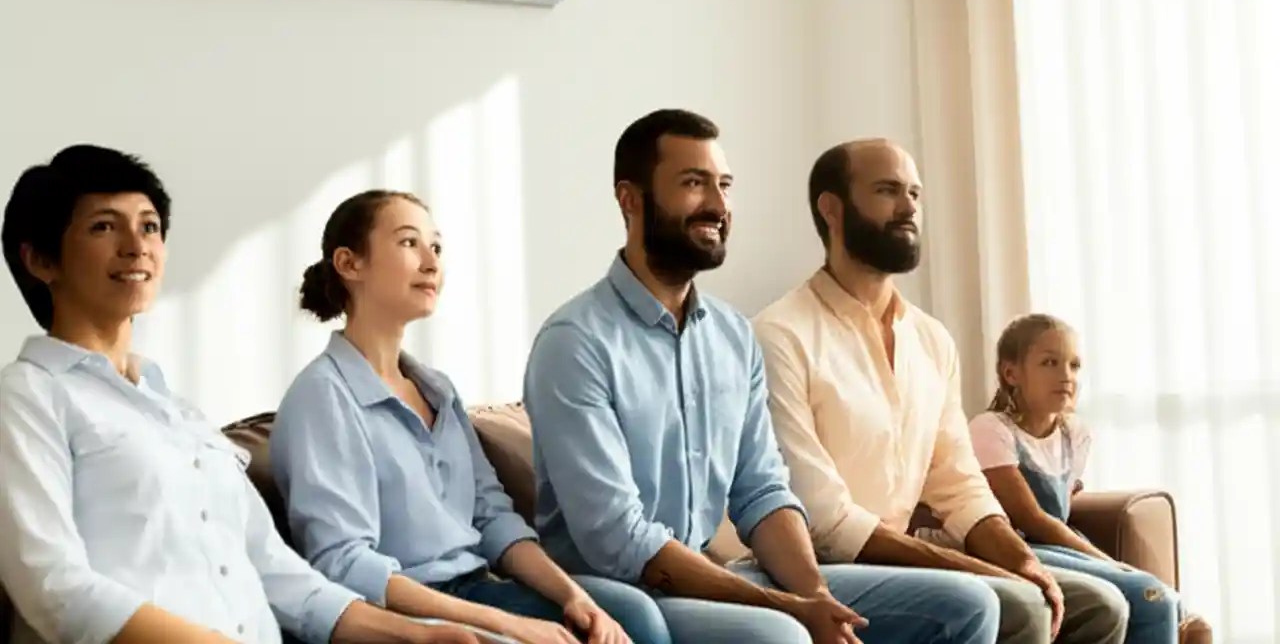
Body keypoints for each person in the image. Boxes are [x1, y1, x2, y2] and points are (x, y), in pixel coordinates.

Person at [522, 109, 1001, 644]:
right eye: (692, 183)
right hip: (622, 592)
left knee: (968, 603)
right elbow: (620, 539)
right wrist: (789, 607)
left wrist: (815, 596)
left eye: (724, 185)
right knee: (781, 636)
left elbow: (763, 493)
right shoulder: (575, 342)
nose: (718, 205)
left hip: (719, 574)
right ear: (630, 200)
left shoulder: (730, 335)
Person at [0, 145, 480, 644]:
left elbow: (274, 569)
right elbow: (54, 587)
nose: (136, 245)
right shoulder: (28, 396)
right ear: (40, 260)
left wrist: (417, 635)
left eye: (148, 226)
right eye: (104, 227)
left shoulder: (177, 412)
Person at [750, 138, 1130, 644]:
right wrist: (976, 570)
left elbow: (959, 485)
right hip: (815, 566)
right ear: (832, 208)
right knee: (1018, 605)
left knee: (1107, 605)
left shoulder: (931, 340)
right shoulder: (779, 335)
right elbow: (825, 521)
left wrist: (1021, 561)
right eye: (888, 190)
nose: (909, 207)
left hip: (899, 563)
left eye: (915, 193)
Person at [271, 190, 671, 644]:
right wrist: (506, 624)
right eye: (408, 243)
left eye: (436, 247)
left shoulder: (438, 390)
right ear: (349, 264)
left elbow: (493, 518)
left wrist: (572, 596)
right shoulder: (322, 397)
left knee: (633, 615)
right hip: (406, 610)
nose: (431, 262)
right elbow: (343, 563)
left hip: (480, 588)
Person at [969, 314, 1179, 643]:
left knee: (1161, 599)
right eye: (1049, 363)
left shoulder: (1075, 433)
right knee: (1147, 592)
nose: (1065, 376)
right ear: (1012, 374)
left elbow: (1065, 502)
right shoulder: (990, 429)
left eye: (1074, 365)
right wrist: (1108, 562)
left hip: (1056, 543)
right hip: (1014, 545)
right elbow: (1032, 518)